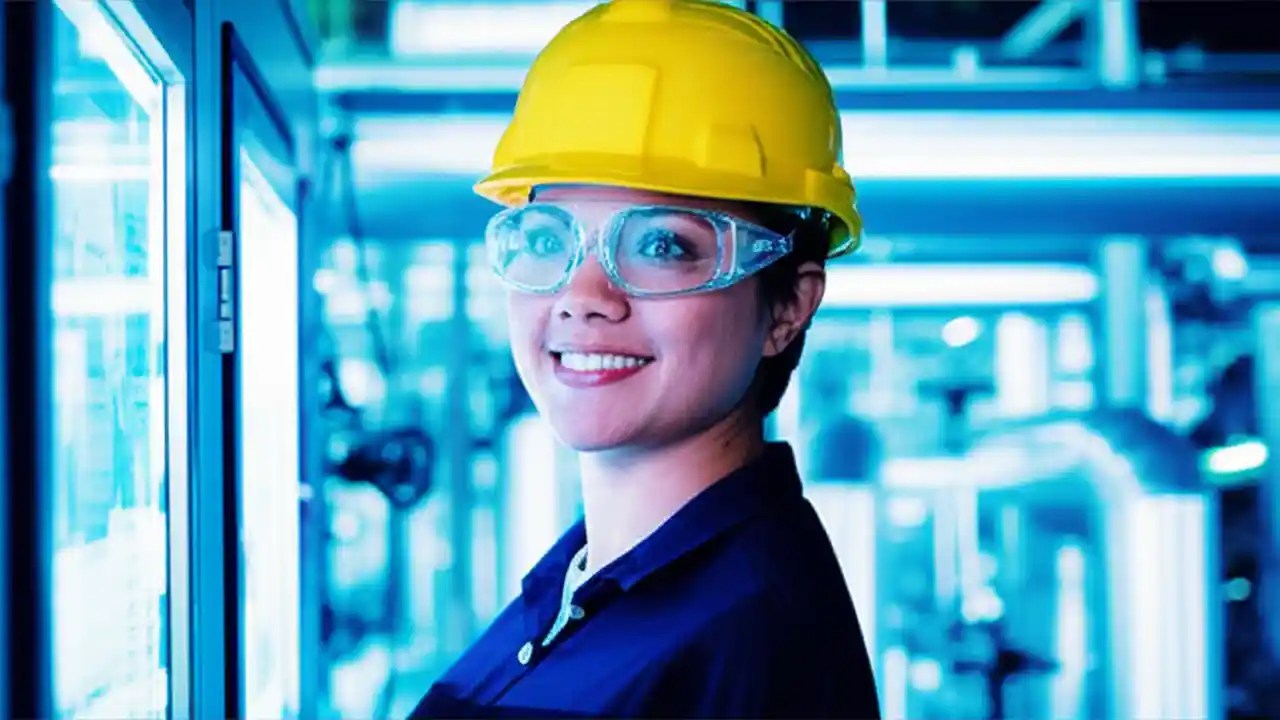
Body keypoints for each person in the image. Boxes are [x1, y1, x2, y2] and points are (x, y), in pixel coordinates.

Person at [410, 0, 881, 717]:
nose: (583, 295)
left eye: (662, 245)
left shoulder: (750, 644)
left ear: (786, 307)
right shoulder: (588, 584)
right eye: (547, 238)